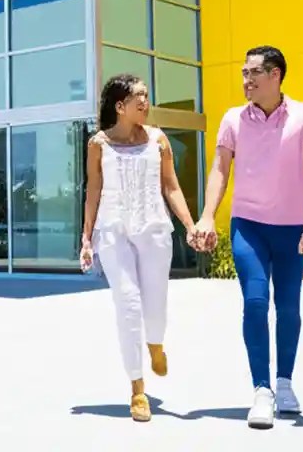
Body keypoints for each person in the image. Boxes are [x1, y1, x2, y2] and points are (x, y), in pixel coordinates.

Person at [192, 45, 303, 429]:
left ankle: (285, 383)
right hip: (248, 226)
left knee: (288, 308)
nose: (245, 80)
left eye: (253, 73)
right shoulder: (233, 119)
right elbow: (220, 170)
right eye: (243, 73)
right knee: (255, 301)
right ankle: (262, 390)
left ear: (275, 75)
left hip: (291, 229)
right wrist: (207, 217)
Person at [79, 73, 200, 422]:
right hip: (113, 232)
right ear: (120, 106)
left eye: (147, 95)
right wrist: (87, 238)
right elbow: (93, 193)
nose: (145, 103)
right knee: (128, 304)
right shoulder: (98, 144)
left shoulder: (158, 140)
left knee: (155, 300)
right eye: (139, 98)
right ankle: (137, 389)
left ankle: (156, 344)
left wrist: (190, 226)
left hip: (154, 230)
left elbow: (172, 187)